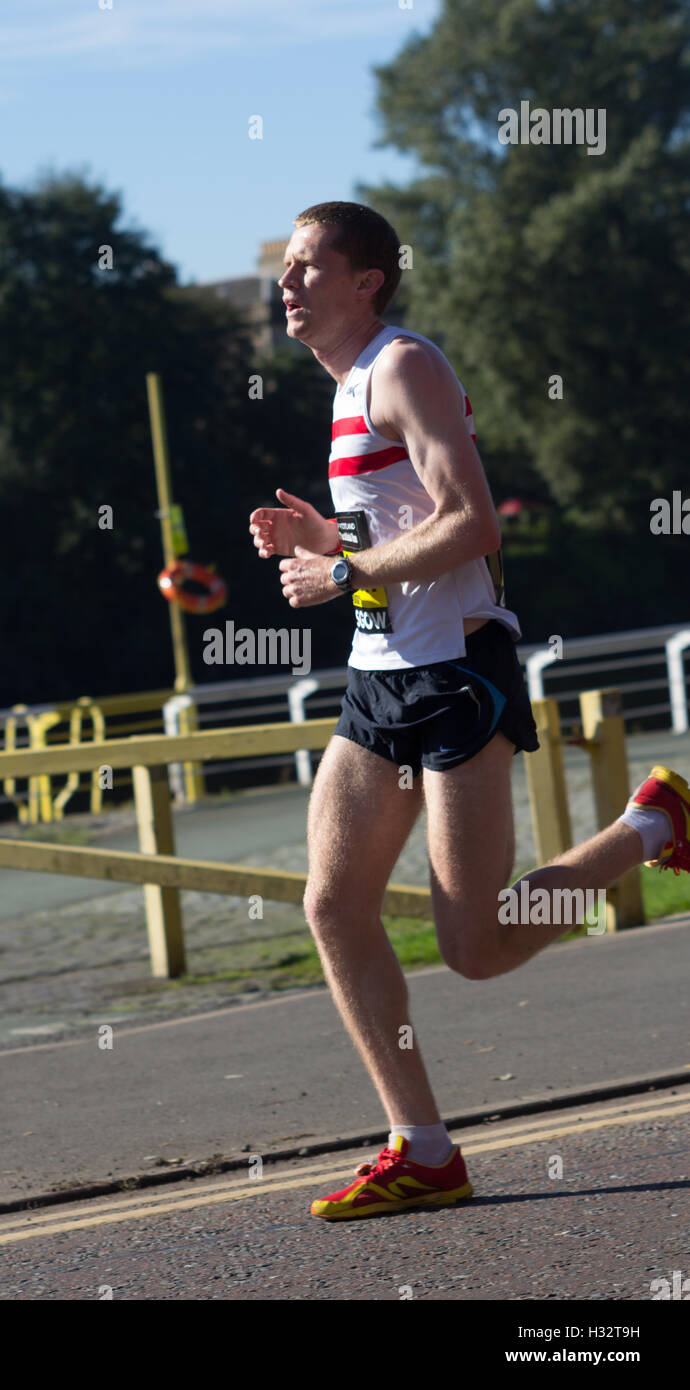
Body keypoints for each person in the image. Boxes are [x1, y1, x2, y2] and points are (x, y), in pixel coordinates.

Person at [248, 200, 690, 1221]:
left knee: (477, 945)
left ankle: (650, 824)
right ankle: (423, 1146)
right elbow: (402, 529)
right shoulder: (347, 386)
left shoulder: (404, 365)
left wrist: (341, 566)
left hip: (454, 672)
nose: (289, 283)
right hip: (378, 675)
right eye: (286, 267)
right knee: (330, 904)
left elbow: (471, 523)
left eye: (309, 265)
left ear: (368, 281)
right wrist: (324, 535)